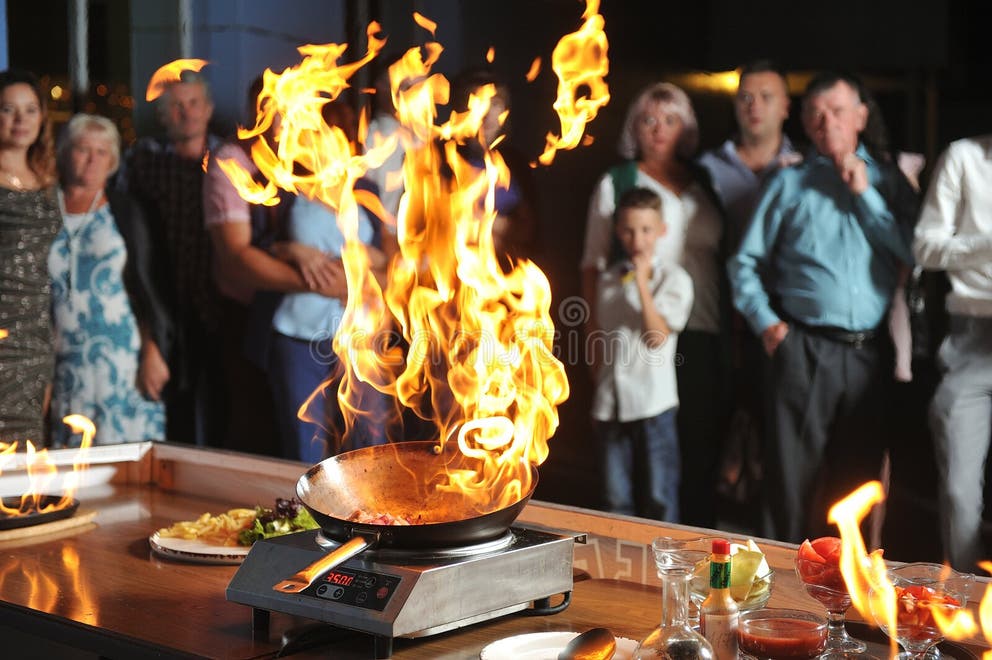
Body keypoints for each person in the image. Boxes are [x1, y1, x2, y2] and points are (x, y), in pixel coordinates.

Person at [728, 72, 917, 543]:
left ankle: (844, 603)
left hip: (868, 355)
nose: (825, 120)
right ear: (807, 126)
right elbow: (743, 262)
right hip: (803, 349)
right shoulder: (789, 182)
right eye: (816, 113)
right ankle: (777, 607)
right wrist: (769, 326)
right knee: (788, 489)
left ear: (860, 116)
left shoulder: (889, 180)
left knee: (857, 488)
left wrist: (865, 193)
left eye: (836, 110)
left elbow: (913, 255)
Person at [580, 81, 728, 527]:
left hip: (702, 324)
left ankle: (694, 551)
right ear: (633, 128)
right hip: (638, 331)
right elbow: (593, 263)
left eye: (670, 119)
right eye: (648, 119)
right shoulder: (619, 182)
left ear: (686, 127)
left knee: (695, 450)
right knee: (638, 454)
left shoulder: (702, 179)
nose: (659, 129)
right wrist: (592, 337)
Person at [202, 77, 347, 457]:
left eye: (290, 110)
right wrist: (327, 283)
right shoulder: (232, 163)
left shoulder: (310, 161)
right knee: (261, 437)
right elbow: (237, 261)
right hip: (249, 317)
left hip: (319, 325)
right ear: (255, 113)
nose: (281, 121)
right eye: (270, 110)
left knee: (328, 438)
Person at [697, 60, 799, 527]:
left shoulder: (804, 167)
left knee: (779, 444)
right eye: (745, 97)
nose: (754, 105)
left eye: (765, 96)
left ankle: (776, 548)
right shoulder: (708, 169)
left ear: (785, 107)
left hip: (784, 321)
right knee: (714, 436)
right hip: (719, 322)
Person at [266, 101, 388, 463]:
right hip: (298, 333)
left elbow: (389, 258)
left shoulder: (366, 190)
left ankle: (367, 518)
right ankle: (308, 517)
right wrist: (293, 250)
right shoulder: (285, 189)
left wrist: (354, 260)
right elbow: (261, 247)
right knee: (306, 445)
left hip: (358, 334)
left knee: (369, 439)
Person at [118, 68, 224, 447]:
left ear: (208, 108)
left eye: (193, 102)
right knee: (171, 413)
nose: (186, 112)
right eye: (175, 106)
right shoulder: (145, 160)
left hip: (217, 302)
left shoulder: (227, 162)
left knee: (218, 412)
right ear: (162, 115)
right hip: (161, 300)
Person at [48, 114, 167, 446]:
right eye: (83, 149)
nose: (92, 159)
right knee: (68, 462)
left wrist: (154, 351)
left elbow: (151, 288)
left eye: (102, 151)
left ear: (113, 160)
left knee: (125, 459)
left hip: (123, 357)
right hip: (62, 359)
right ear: (64, 153)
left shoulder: (127, 210)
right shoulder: (43, 209)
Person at [913, 134, 992, 572]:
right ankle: (965, 616)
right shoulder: (963, 156)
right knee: (961, 492)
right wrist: (987, 243)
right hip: (970, 337)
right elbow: (924, 247)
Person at [592, 187, 693, 521]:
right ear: (618, 231)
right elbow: (601, 337)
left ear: (661, 230)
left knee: (660, 498)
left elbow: (656, 336)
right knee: (613, 499)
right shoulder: (608, 279)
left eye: (646, 230)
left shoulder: (675, 280)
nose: (638, 239)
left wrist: (642, 284)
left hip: (653, 405)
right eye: (629, 230)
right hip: (610, 403)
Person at [0, 69, 62, 444]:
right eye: (8, 109)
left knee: (26, 456)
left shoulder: (48, 180)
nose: (21, 120)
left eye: (30, 110)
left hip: (36, 337)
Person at [449, 67, 538, 266]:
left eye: (495, 103)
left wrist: (483, 222)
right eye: (477, 103)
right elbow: (444, 222)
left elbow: (528, 230)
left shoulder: (516, 164)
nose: (486, 114)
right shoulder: (444, 159)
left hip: (507, 271)